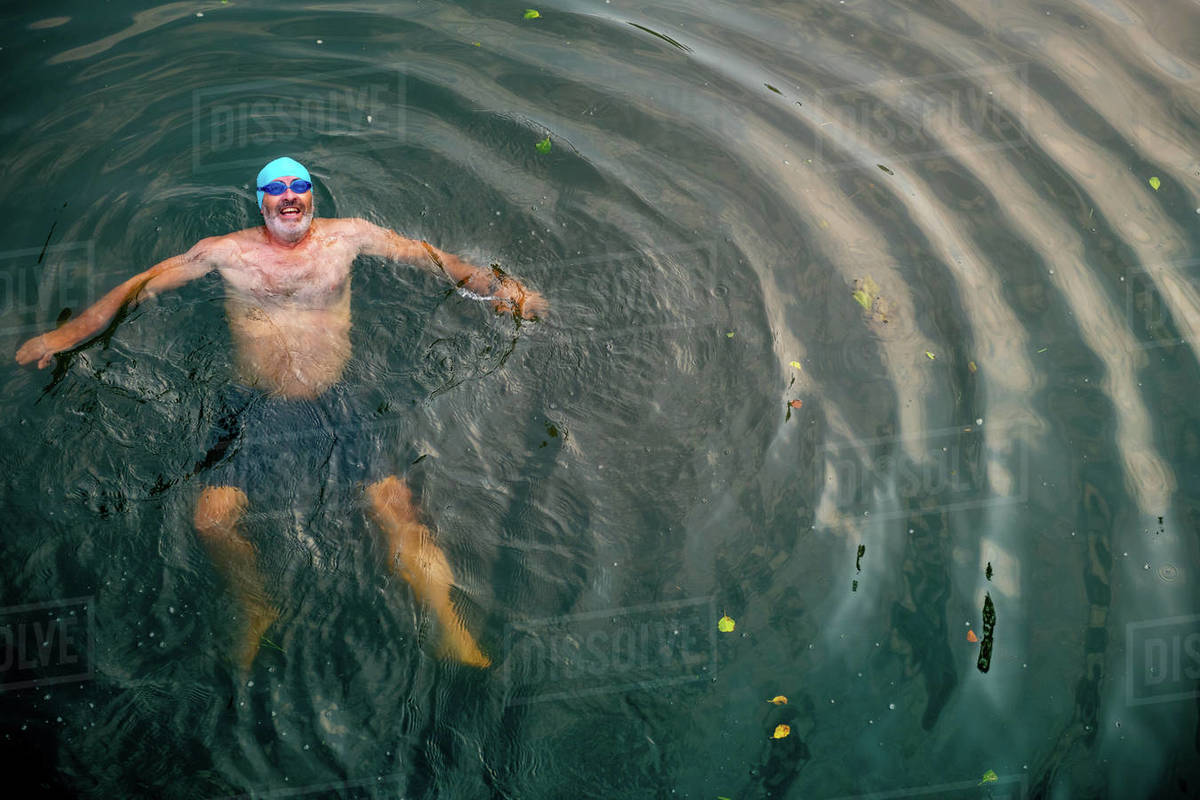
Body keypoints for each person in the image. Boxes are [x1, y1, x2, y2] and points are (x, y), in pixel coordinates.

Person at [16, 156, 546, 672]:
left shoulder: (350, 236)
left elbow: (435, 260)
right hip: (253, 406)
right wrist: (63, 336)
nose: (289, 193)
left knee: (394, 511)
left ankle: (449, 626)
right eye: (275, 187)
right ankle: (255, 605)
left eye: (298, 184)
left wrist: (505, 290)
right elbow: (137, 288)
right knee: (211, 521)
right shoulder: (224, 253)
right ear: (261, 202)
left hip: (336, 401)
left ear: (312, 195)